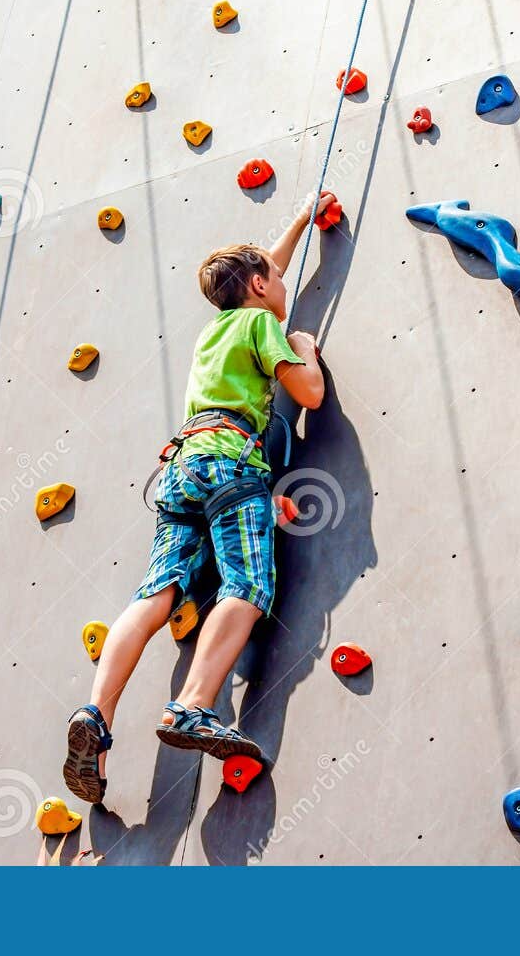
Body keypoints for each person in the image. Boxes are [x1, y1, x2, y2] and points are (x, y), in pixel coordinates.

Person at [62, 195, 333, 803]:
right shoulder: (265, 324)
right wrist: (306, 348)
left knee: (154, 594)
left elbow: (266, 269)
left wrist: (299, 221)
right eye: (275, 280)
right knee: (247, 586)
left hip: (180, 466)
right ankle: (192, 706)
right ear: (260, 287)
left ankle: (96, 715)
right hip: (232, 464)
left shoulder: (215, 331)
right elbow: (309, 395)